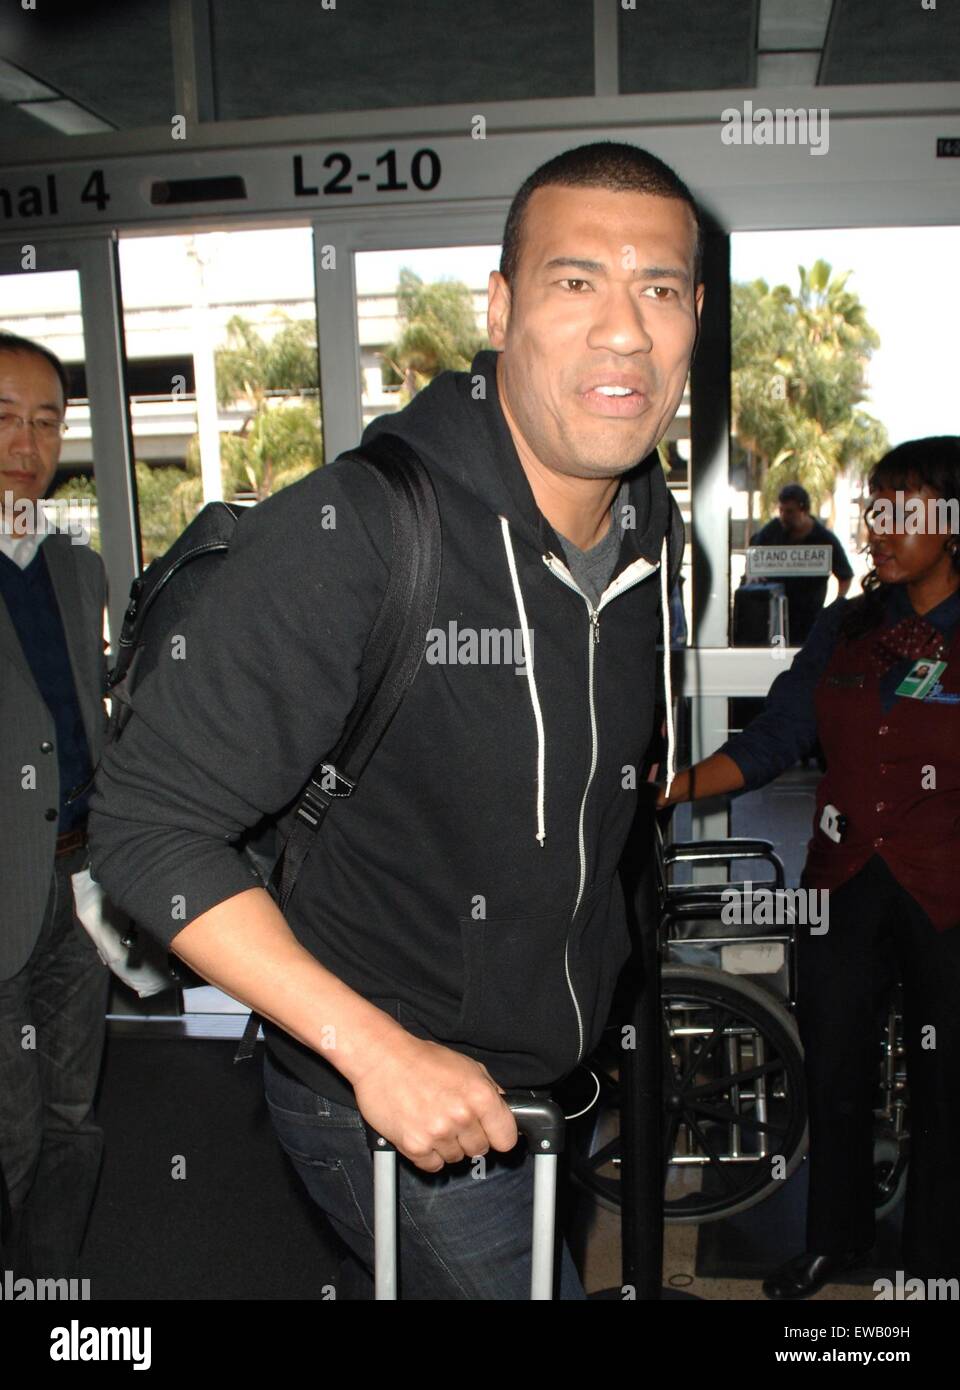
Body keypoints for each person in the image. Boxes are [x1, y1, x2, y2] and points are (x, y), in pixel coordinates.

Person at [88, 140, 702, 1300]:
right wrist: (375, 1050)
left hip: (551, 1090)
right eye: (577, 282)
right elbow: (145, 827)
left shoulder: (658, 544)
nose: (625, 329)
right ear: (502, 305)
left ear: (693, 321)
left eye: (659, 289)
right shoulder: (364, 534)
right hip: (392, 1102)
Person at [659, 437, 960, 1299]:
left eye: (905, 506)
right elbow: (780, 735)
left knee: (947, 1082)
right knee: (833, 1068)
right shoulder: (847, 624)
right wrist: (674, 789)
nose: (880, 524)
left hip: (947, 891)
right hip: (844, 885)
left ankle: (938, 1259)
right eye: (877, 504)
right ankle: (837, 1239)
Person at [0, 332, 109, 1280]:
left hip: (78, 879)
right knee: (11, 1125)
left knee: (74, 1109)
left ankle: (51, 1283)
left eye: (45, 422)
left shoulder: (77, 569)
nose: (24, 444)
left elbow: (85, 716)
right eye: (3, 417)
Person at [749, 482, 853, 645]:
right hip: (773, 618)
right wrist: (754, 575)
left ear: (803, 510)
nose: (784, 516)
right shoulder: (772, 531)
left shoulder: (824, 539)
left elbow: (845, 576)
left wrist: (834, 608)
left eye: (789, 512)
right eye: (781, 511)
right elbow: (753, 559)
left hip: (809, 621)